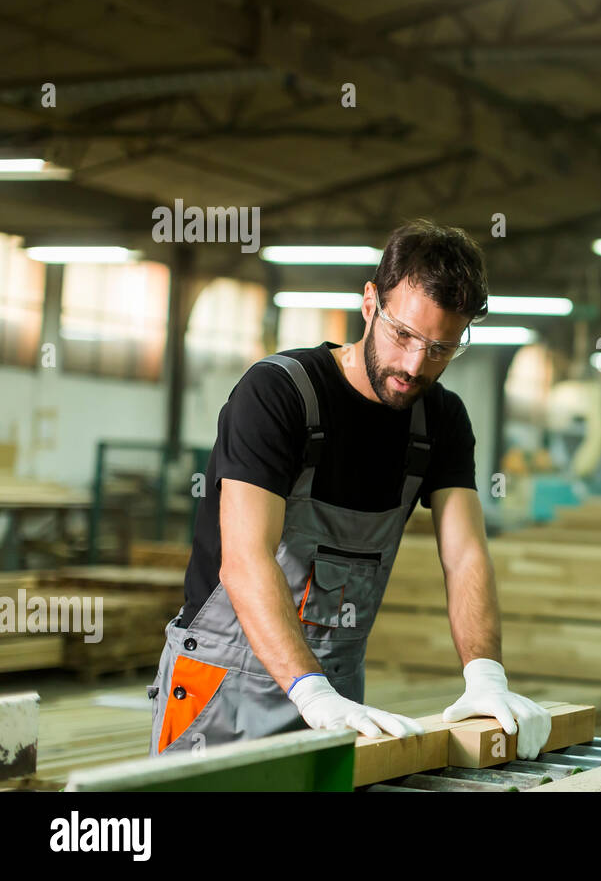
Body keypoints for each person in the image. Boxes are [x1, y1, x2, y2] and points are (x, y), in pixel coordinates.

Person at [148, 219, 552, 759]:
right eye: (403, 335)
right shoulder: (278, 395)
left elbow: (465, 556)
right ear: (370, 304)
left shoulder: (440, 422)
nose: (414, 365)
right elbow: (245, 560)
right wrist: (312, 695)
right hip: (223, 685)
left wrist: (485, 678)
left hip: (338, 691)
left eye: (440, 348)